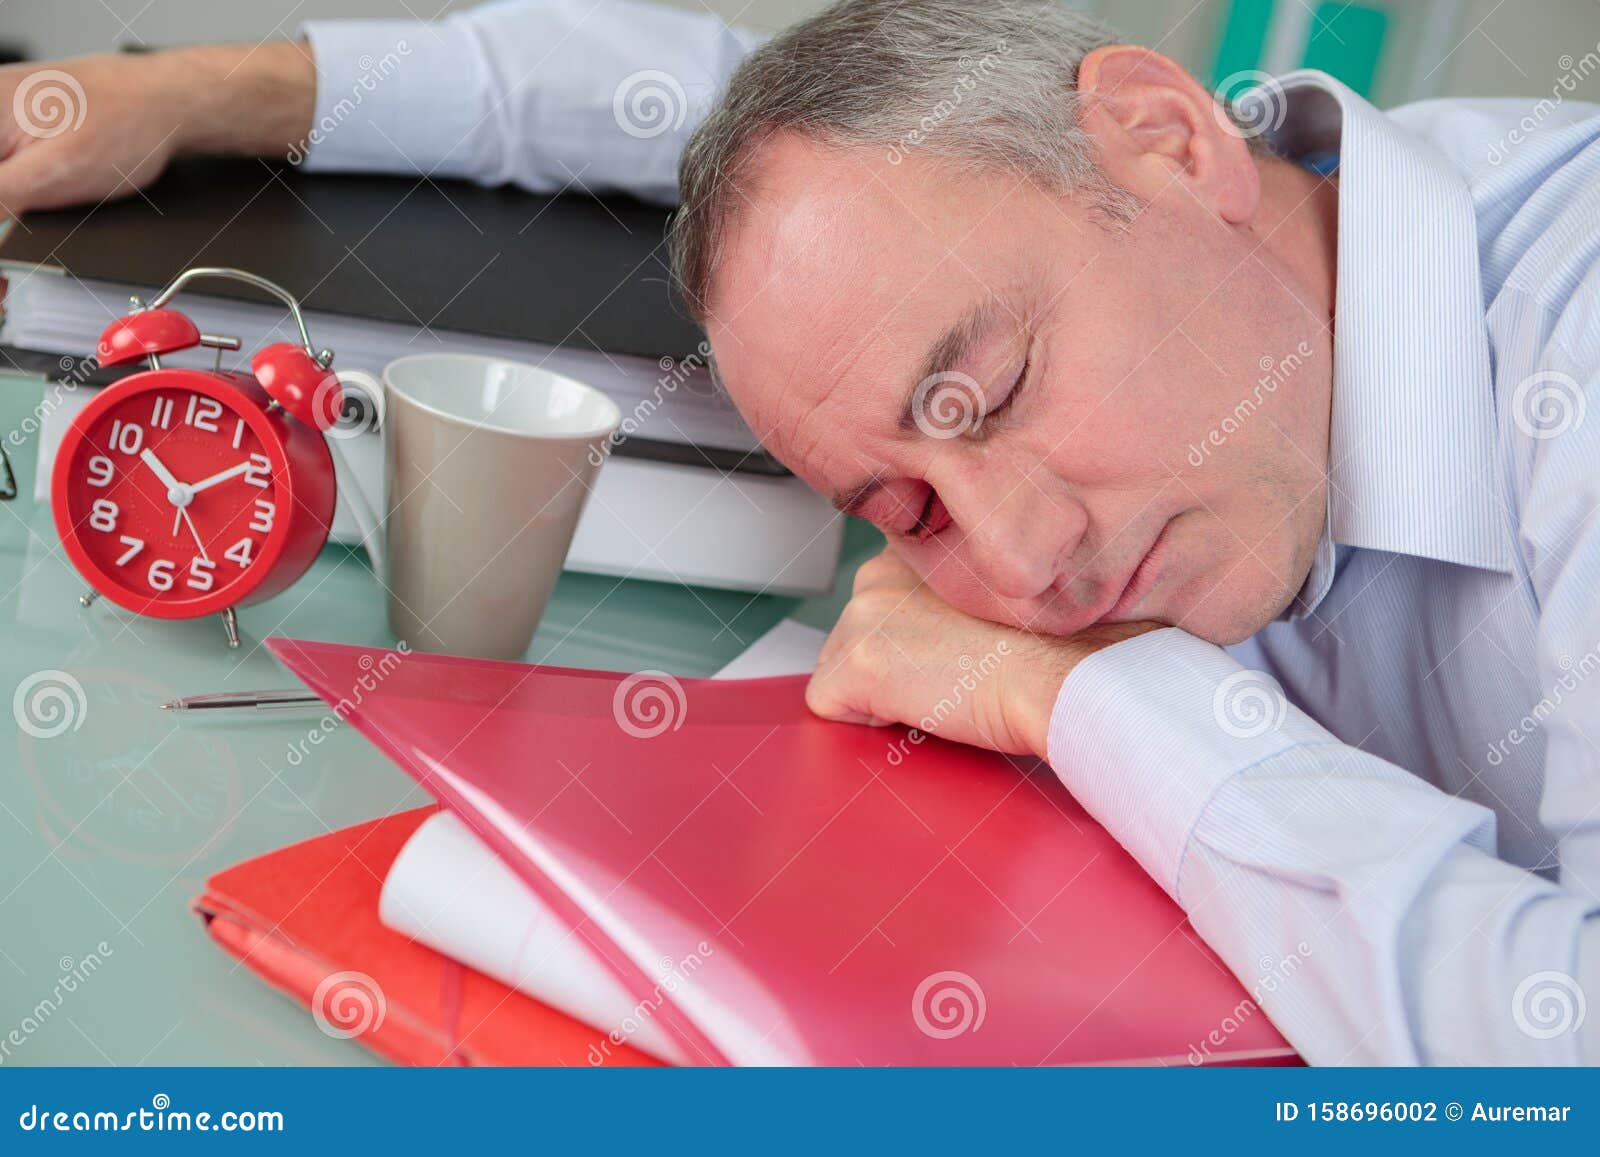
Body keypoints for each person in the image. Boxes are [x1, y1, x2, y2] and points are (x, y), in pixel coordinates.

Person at [2, 0, 1597, 1066]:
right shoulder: (1140, 234)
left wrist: (1084, 696)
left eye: (996, 386)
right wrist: (201, 92)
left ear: (1171, 143)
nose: (1027, 558)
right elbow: (723, 105)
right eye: (906, 510)